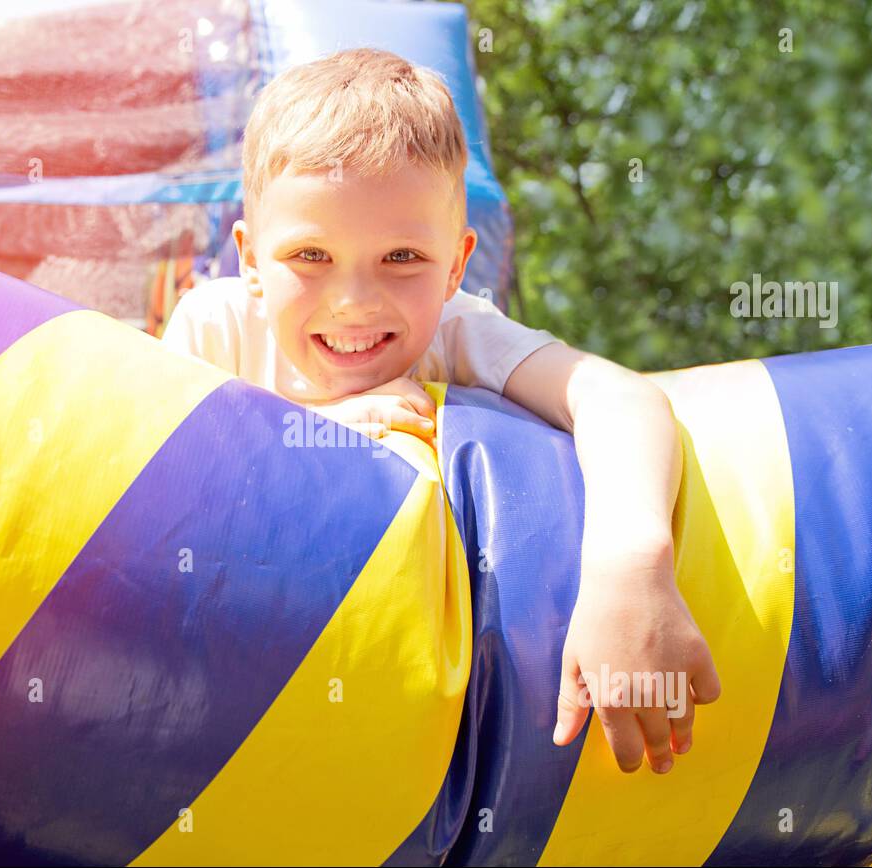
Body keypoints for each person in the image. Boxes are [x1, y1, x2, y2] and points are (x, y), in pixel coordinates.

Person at [162, 47, 720, 774]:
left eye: (402, 258)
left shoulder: (458, 330)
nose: (355, 302)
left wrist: (632, 566)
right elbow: (164, 498)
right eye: (310, 256)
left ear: (456, 266)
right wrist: (315, 444)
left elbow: (619, 397)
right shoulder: (217, 328)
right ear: (251, 261)